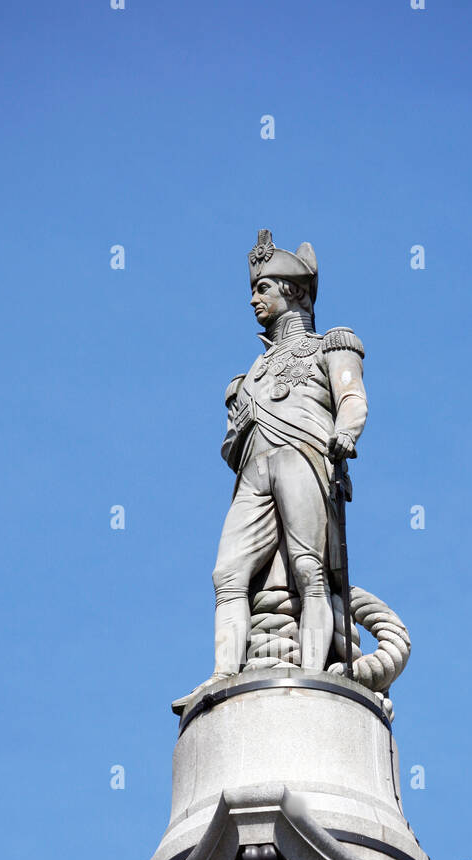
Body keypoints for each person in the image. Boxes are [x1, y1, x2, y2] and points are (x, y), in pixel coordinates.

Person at [175, 230, 368, 711]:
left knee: (309, 571)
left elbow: (352, 399)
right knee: (228, 574)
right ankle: (223, 673)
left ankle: (311, 675)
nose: (253, 298)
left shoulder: (332, 345)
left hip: (304, 457)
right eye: (254, 288)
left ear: (294, 291)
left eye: (263, 287)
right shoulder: (250, 375)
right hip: (255, 472)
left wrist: (346, 432)